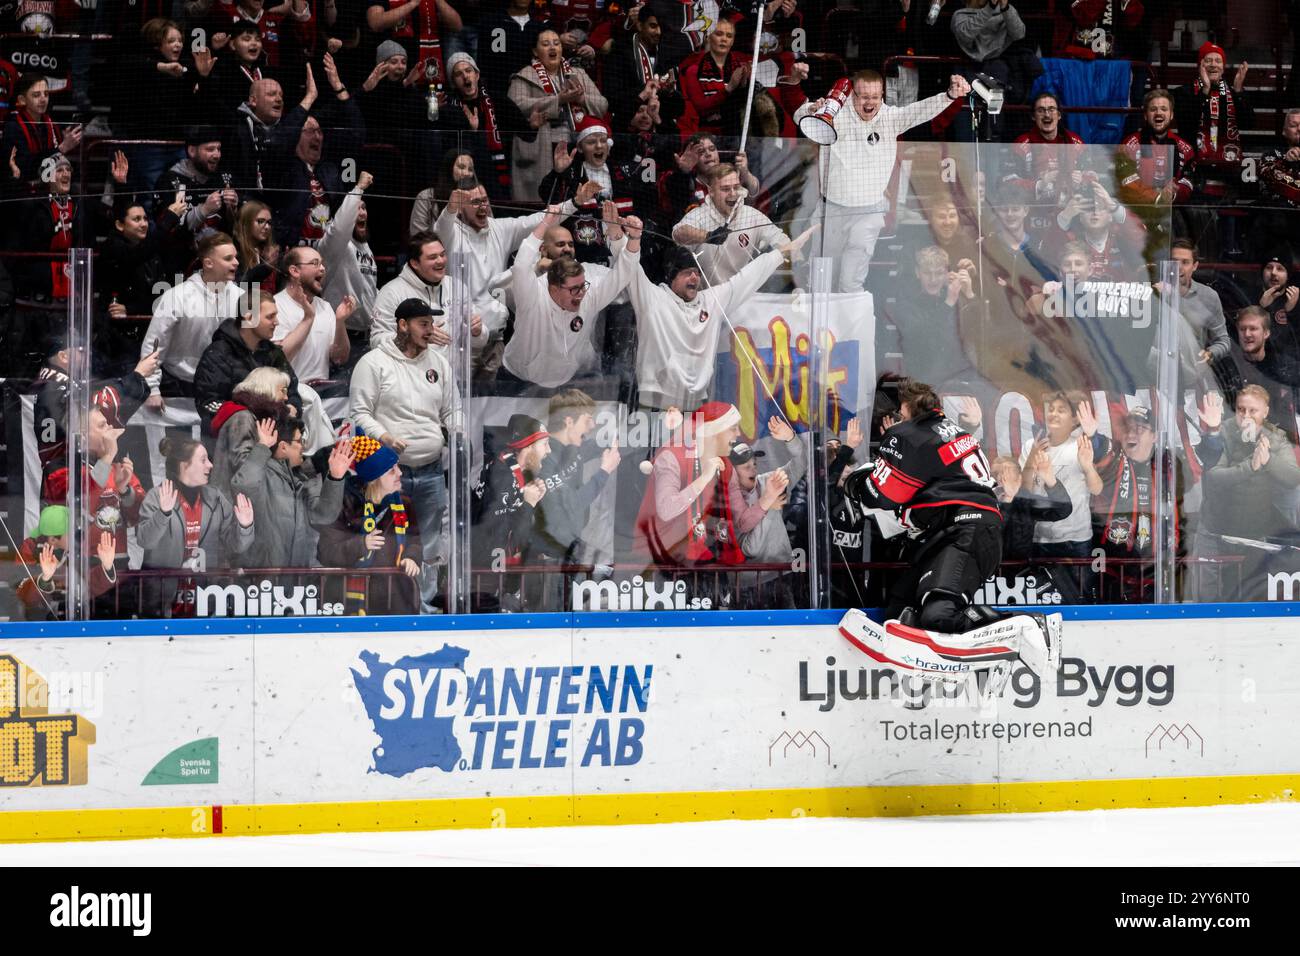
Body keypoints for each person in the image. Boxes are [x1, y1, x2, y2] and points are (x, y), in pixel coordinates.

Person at [837, 378, 1060, 697]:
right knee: (901, 603)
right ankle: (957, 657)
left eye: (898, 411)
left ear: (906, 408)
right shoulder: (955, 432)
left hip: (963, 530)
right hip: (960, 532)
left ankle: (1028, 626)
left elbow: (881, 496)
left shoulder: (908, 434)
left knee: (939, 614)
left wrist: (855, 483)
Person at [793, 69, 971, 293]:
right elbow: (799, 118)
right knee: (821, 279)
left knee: (850, 282)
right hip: (832, 210)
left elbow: (920, 111)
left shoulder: (890, 118)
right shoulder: (834, 114)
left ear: (882, 96)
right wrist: (812, 109)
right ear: (853, 96)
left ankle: (848, 326)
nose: (870, 103)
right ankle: (820, 327)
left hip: (868, 213)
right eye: (864, 97)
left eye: (875, 97)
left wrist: (950, 96)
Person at [623, 221, 816, 410]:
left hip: (695, 404)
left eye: (697, 273)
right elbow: (629, 268)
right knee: (661, 443)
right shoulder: (652, 298)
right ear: (671, 277)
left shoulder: (710, 301)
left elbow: (745, 278)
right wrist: (625, 237)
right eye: (687, 273)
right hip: (655, 402)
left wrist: (782, 252)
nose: (695, 277)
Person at [349, 298, 461, 612]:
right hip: (388, 475)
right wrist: (383, 436)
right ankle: (382, 606)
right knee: (386, 544)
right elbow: (359, 413)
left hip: (431, 470)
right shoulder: (373, 362)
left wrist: (454, 431)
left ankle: (421, 605)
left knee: (427, 545)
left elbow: (453, 409)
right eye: (423, 324)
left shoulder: (438, 362)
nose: (431, 330)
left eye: (432, 323)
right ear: (402, 325)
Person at [438, 177, 597, 375]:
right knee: (456, 399)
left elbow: (539, 220)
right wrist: (450, 209)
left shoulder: (499, 228)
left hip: (495, 340)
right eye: (476, 202)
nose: (483, 207)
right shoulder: (450, 233)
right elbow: (441, 227)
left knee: (491, 404)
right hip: (460, 340)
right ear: (461, 207)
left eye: (485, 200)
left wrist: (575, 202)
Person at [503, 201, 636, 389]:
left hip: (567, 381)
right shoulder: (533, 294)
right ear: (554, 288)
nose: (581, 294)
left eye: (571, 244)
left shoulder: (589, 290)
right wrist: (545, 224)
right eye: (574, 289)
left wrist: (623, 235)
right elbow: (520, 266)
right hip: (518, 379)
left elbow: (624, 273)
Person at [136, 436, 256, 617]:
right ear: (185, 465)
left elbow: (235, 546)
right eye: (203, 460)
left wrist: (245, 526)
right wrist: (164, 514)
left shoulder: (215, 498)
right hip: (161, 601)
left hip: (204, 597)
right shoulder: (157, 497)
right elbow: (145, 540)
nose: (210, 465)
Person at [317, 432, 423, 615]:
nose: (400, 473)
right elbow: (326, 552)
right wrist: (361, 544)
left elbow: (414, 539)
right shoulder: (346, 504)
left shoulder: (404, 503)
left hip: (396, 600)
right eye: (392, 470)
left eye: (397, 467)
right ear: (375, 479)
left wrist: (412, 557)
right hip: (351, 603)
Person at [141, 232, 246, 411]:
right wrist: (151, 389)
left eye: (235, 257)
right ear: (208, 263)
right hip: (177, 384)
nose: (236, 262)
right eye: (228, 258)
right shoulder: (176, 297)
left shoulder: (241, 298)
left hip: (223, 387)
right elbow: (154, 344)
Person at [230, 414, 352, 568]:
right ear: (283, 446)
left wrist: (335, 478)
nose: (303, 447)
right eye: (299, 441)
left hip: (295, 582)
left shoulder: (301, 479)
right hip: (263, 582)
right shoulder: (262, 473)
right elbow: (243, 487)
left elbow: (322, 516)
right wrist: (262, 447)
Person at [507, 29, 608, 202]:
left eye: (556, 43)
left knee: (575, 199)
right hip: (543, 146)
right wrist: (558, 100)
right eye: (545, 44)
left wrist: (582, 99)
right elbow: (516, 106)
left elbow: (603, 104)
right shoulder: (525, 75)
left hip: (576, 146)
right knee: (547, 201)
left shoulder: (578, 73)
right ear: (535, 51)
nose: (552, 48)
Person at [470, 413, 552, 611]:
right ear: (529, 446)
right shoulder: (504, 477)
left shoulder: (507, 468)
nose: (549, 451)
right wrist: (528, 504)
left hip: (491, 572)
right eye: (545, 444)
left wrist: (528, 497)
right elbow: (512, 543)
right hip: (488, 578)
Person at [535, 389, 621, 567]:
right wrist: (604, 470)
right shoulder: (544, 460)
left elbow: (595, 446)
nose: (592, 425)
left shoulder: (574, 447)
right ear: (569, 422)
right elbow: (571, 504)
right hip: (550, 555)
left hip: (570, 545)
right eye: (587, 419)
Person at [672, 163, 790, 286]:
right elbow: (678, 234)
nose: (733, 194)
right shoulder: (700, 215)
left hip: (741, 295)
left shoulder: (752, 215)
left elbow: (782, 241)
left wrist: (794, 257)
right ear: (711, 191)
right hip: (706, 297)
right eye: (725, 189)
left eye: (736, 187)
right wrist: (708, 236)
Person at [370, 232, 486, 354]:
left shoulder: (457, 286)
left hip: (449, 371)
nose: (441, 261)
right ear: (415, 263)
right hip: (409, 371)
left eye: (442, 254)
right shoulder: (391, 293)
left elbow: (479, 342)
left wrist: (477, 332)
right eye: (433, 257)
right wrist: (414, 337)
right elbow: (376, 342)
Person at [732, 417, 805, 608]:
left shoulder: (767, 481)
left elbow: (802, 461)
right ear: (732, 471)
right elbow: (751, 549)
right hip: (749, 584)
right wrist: (770, 506)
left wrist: (790, 439)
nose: (753, 469)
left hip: (782, 574)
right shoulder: (730, 501)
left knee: (792, 635)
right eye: (745, 466)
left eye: (754, 464)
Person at [14, 506, 118, 621]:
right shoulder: (30, 550)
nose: (76, 537)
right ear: (53, 540)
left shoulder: (77, 552)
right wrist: (45, 579)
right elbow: (24, 595)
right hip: (37, 627)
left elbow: (93, 587)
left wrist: (107, 567)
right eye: (71, 533)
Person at [209, 366, 294, 500]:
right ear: (268, 388)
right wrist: (264, 447)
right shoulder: (242, 418)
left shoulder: (255, 417)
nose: (286, 397)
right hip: (232, 505)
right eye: (283, 390)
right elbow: (242, 469)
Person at [273, 246, 356, 383]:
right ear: (294, 271)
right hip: (288, 393)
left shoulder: (325, 307)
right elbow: (277, 360)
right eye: (315, 263)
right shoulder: (275, 305)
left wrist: (340, 322)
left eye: (322, 263)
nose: (323, 268)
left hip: (322, 394)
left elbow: (339, 359)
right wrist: (308, 318)